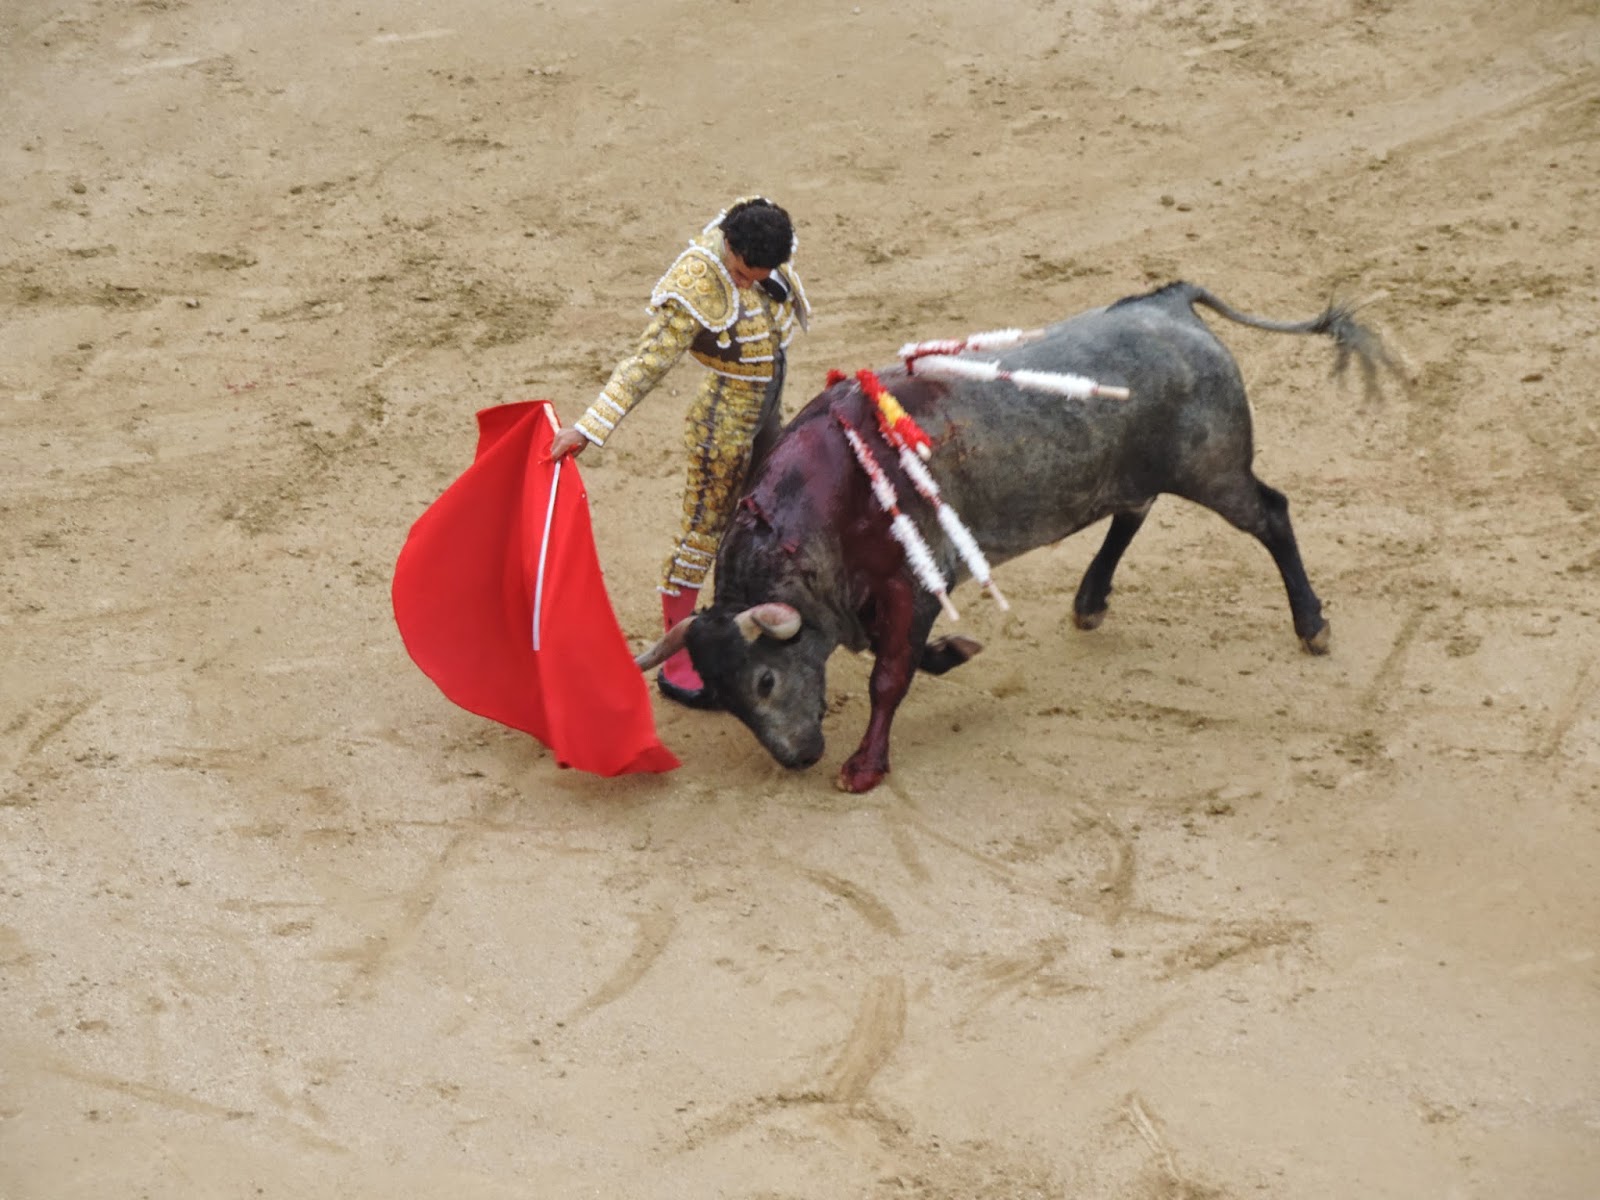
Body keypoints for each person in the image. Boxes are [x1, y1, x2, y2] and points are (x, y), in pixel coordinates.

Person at [548, 197, 810, 707]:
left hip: (767, 409)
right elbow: (645, 364)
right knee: (703, 533)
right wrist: (588, 426)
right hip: (723, 425)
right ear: (729, 249)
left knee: (770, 520)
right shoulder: (696, 282)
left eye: (758, 275)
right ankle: (679, 657)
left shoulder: (764, 243)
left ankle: (747, 621)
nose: (746, 284)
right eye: (739, 272)